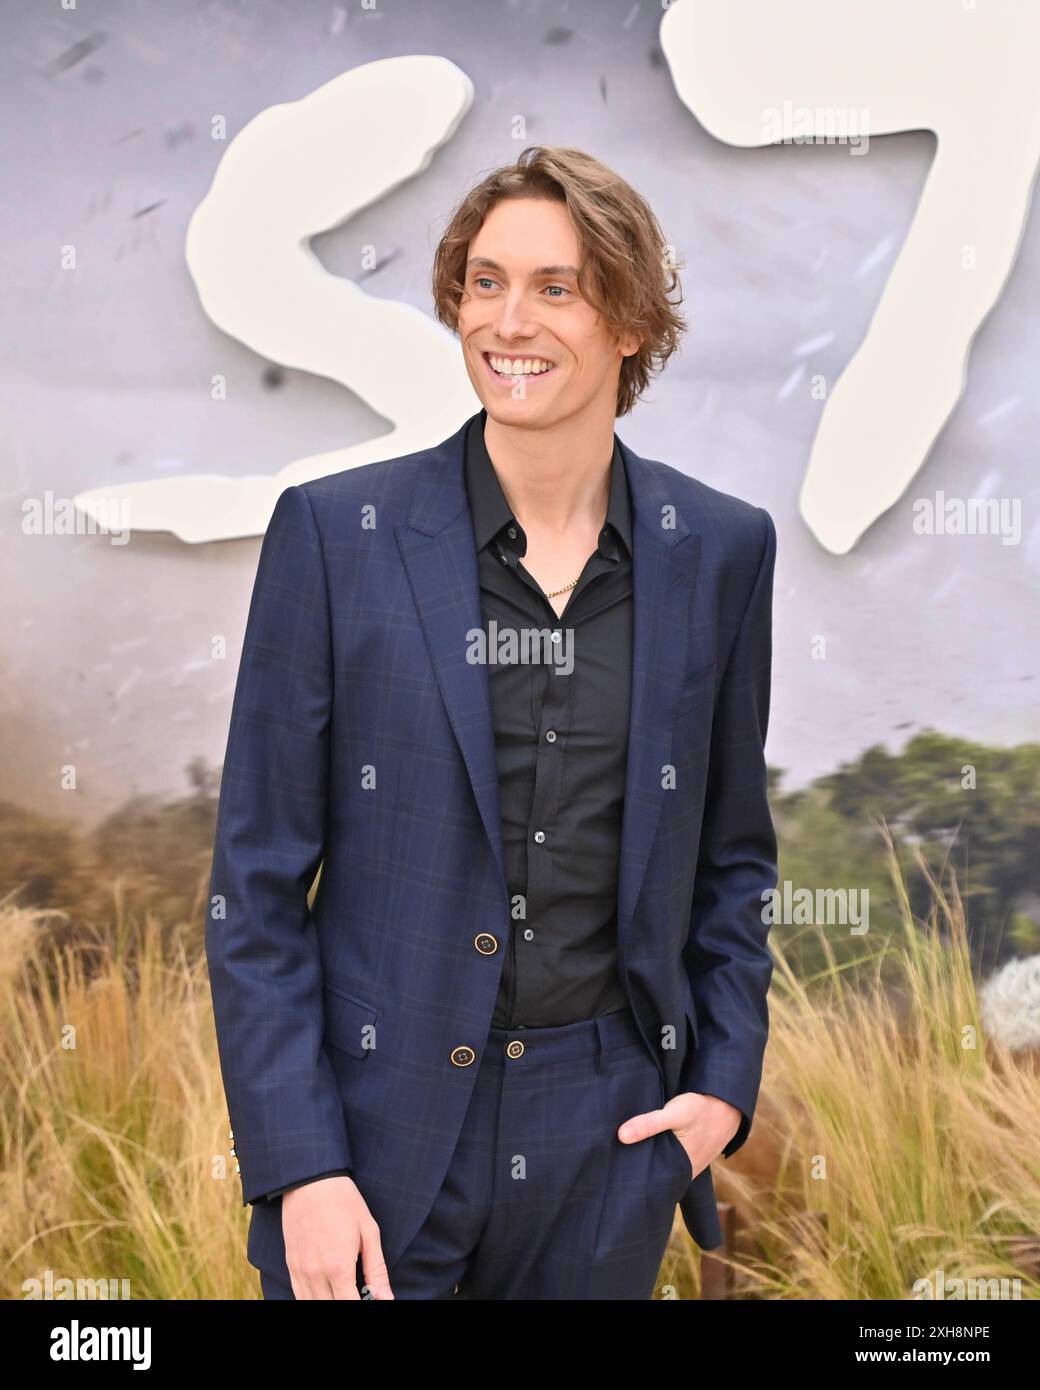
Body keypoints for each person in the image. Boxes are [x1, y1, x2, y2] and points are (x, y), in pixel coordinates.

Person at [205, 145, 778, 1301]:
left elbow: (731, 855)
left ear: (630, 321)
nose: (507, 321)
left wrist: (718, 1090)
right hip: (368, 1145)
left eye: (554, 287)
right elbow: (254, 884)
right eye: (483, 281)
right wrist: (299, 1165)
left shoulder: (720, 549)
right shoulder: (333, 535)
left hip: (610, 1139)